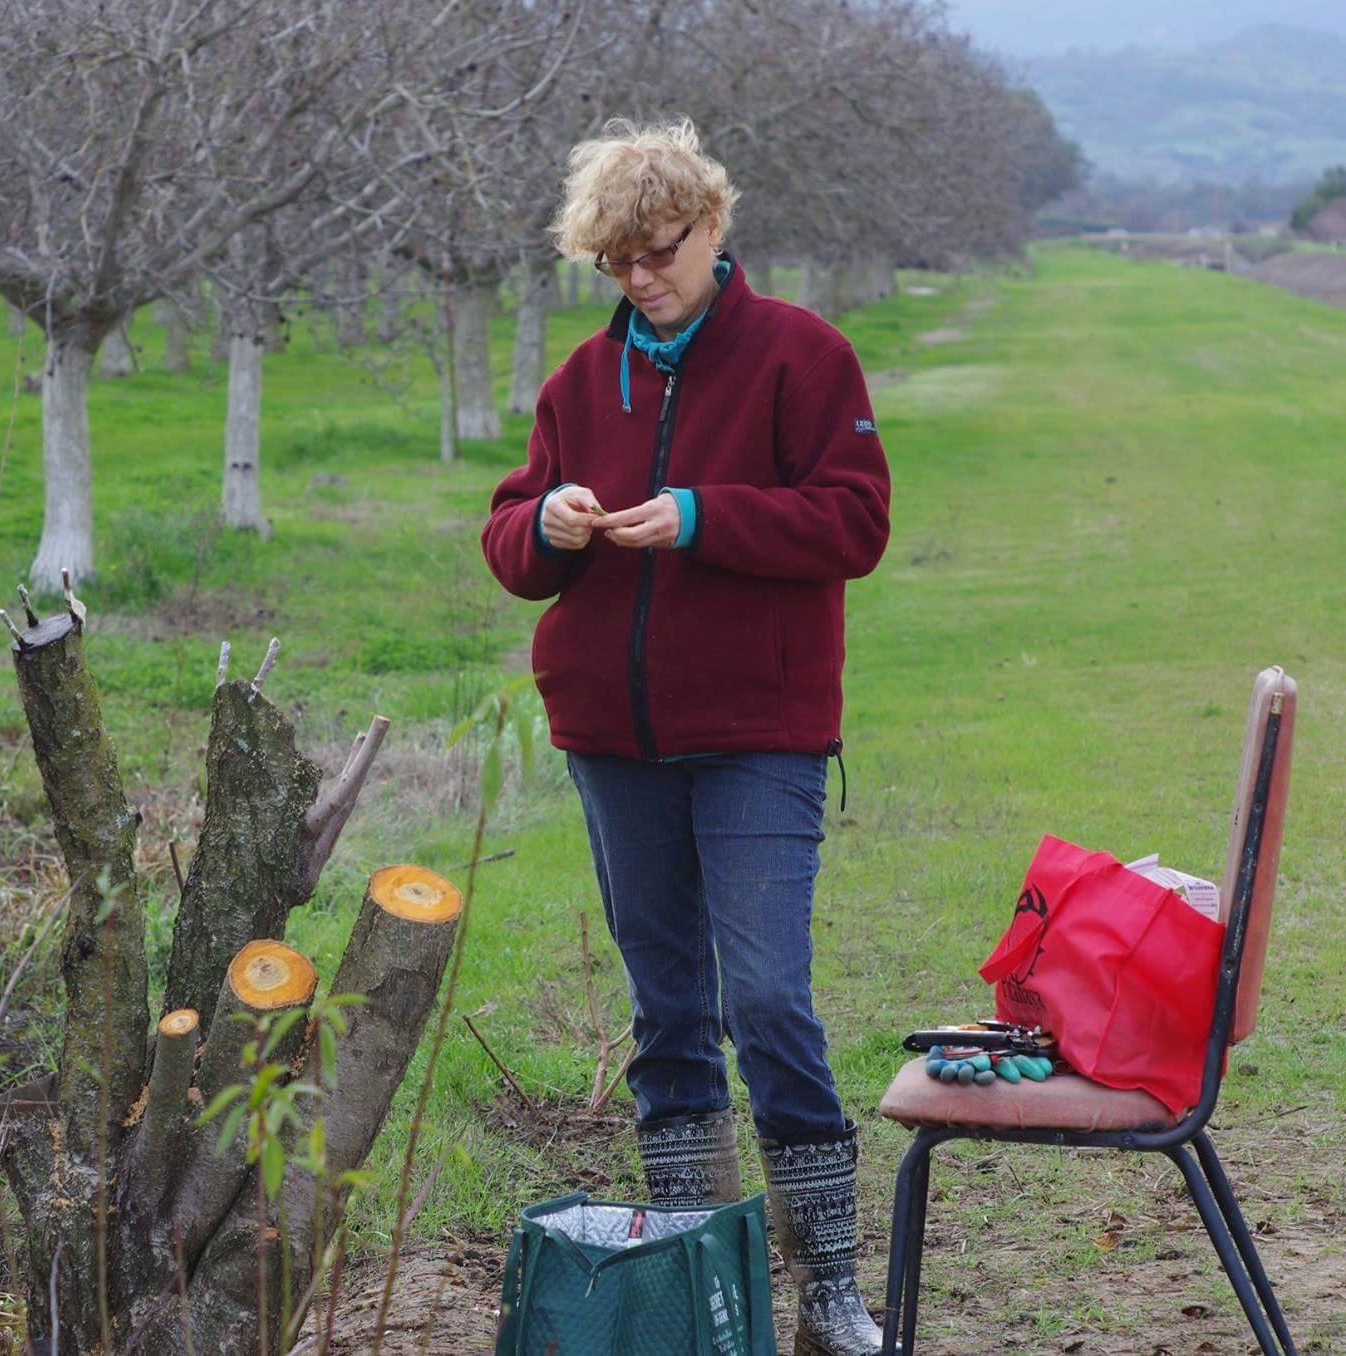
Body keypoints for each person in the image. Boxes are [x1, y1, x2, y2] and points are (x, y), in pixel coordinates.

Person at [480, 118, 890, 1356]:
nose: (639, 277)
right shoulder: (577, 383)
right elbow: (511, 549)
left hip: (760, 731)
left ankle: (827, 1289)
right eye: (615, 262)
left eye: (657, 252)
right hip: (612, 741)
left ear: (712, 225)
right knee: (665, 1010)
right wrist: (545, 523)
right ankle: (696, 1284)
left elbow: (852, 523)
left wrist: (705, 517)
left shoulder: (802, 356)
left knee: (763, 997)